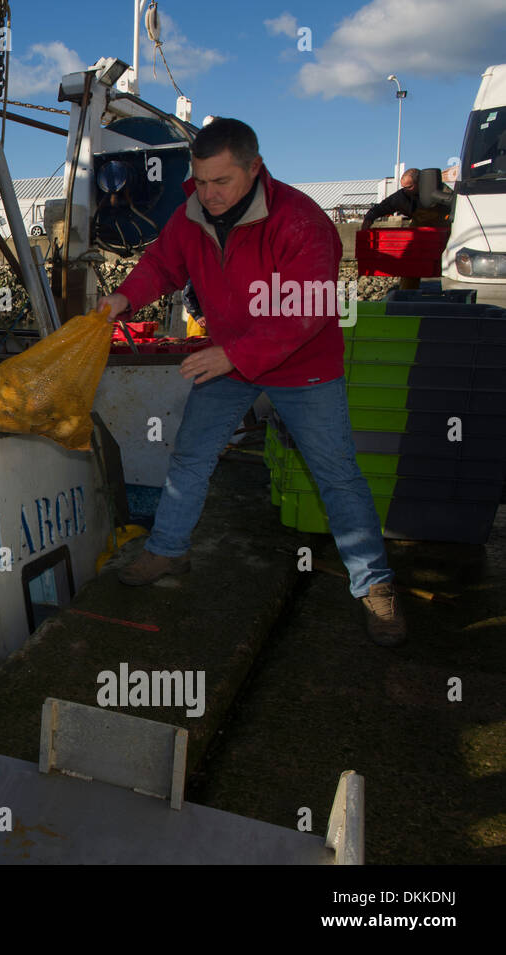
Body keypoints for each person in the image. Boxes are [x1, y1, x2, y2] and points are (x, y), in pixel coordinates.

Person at [97, 117, 406, 647]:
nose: (209, 195)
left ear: (255, 168)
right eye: (201, 180)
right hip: (228, 359)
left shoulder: (301, 222)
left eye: (222, 182)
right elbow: (161, 264)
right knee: (191, 455)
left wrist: (232, 354)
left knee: (336, 474)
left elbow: (306, 313)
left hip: (302, 366)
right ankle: (169, 548)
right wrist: (123, 298)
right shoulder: (190, 211)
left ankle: (374, 586)